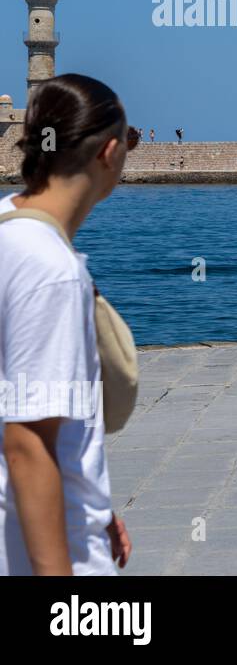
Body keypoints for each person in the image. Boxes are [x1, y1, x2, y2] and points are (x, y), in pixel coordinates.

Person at [0, 74, 135, 575]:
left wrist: (92, 497)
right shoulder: (51, 271)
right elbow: (28, 442)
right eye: (133, 140)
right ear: (110, 151)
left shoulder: (7, 226)